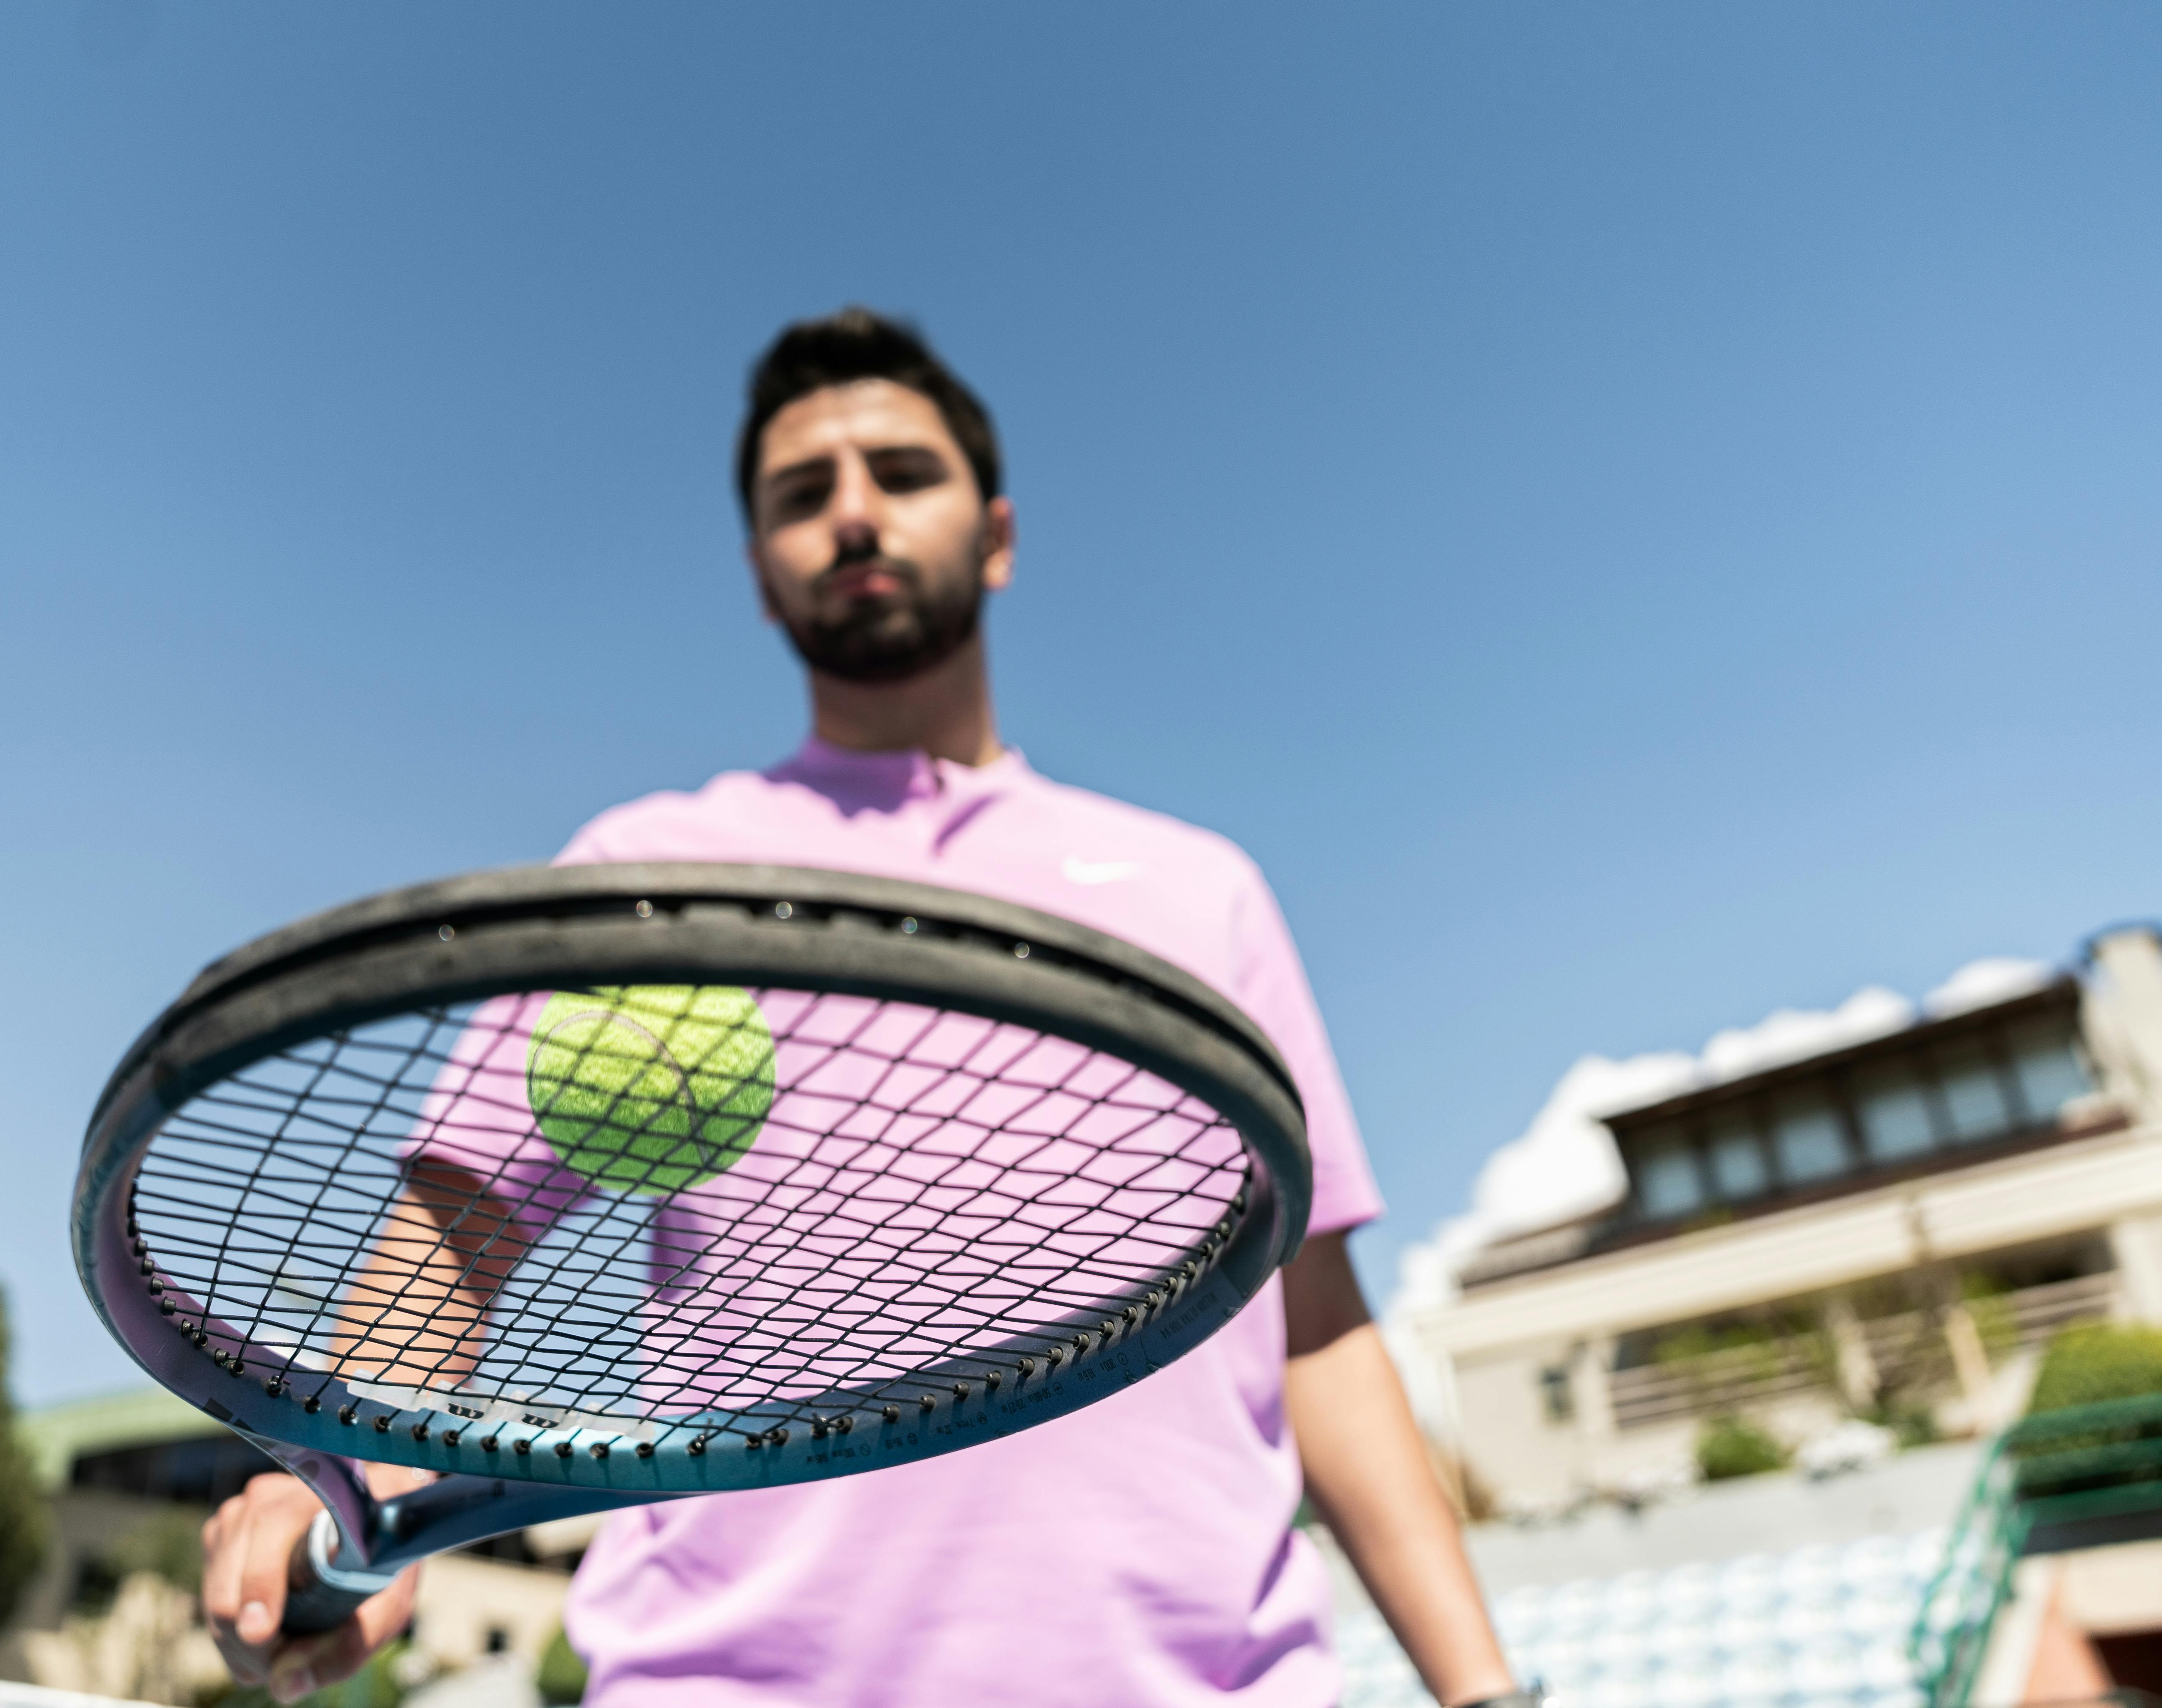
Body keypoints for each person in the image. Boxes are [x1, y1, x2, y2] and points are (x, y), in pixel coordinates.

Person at [201, 310, 1522, 1707]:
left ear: (996, 534)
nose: (851, 513)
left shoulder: (1204, 890)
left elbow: (1313, 1320)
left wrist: (1481, 1689)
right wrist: (347, 1498)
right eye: (799, 493)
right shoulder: (646, 870)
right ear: (764, 583)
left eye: (898, 472)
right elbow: (456, 1230)